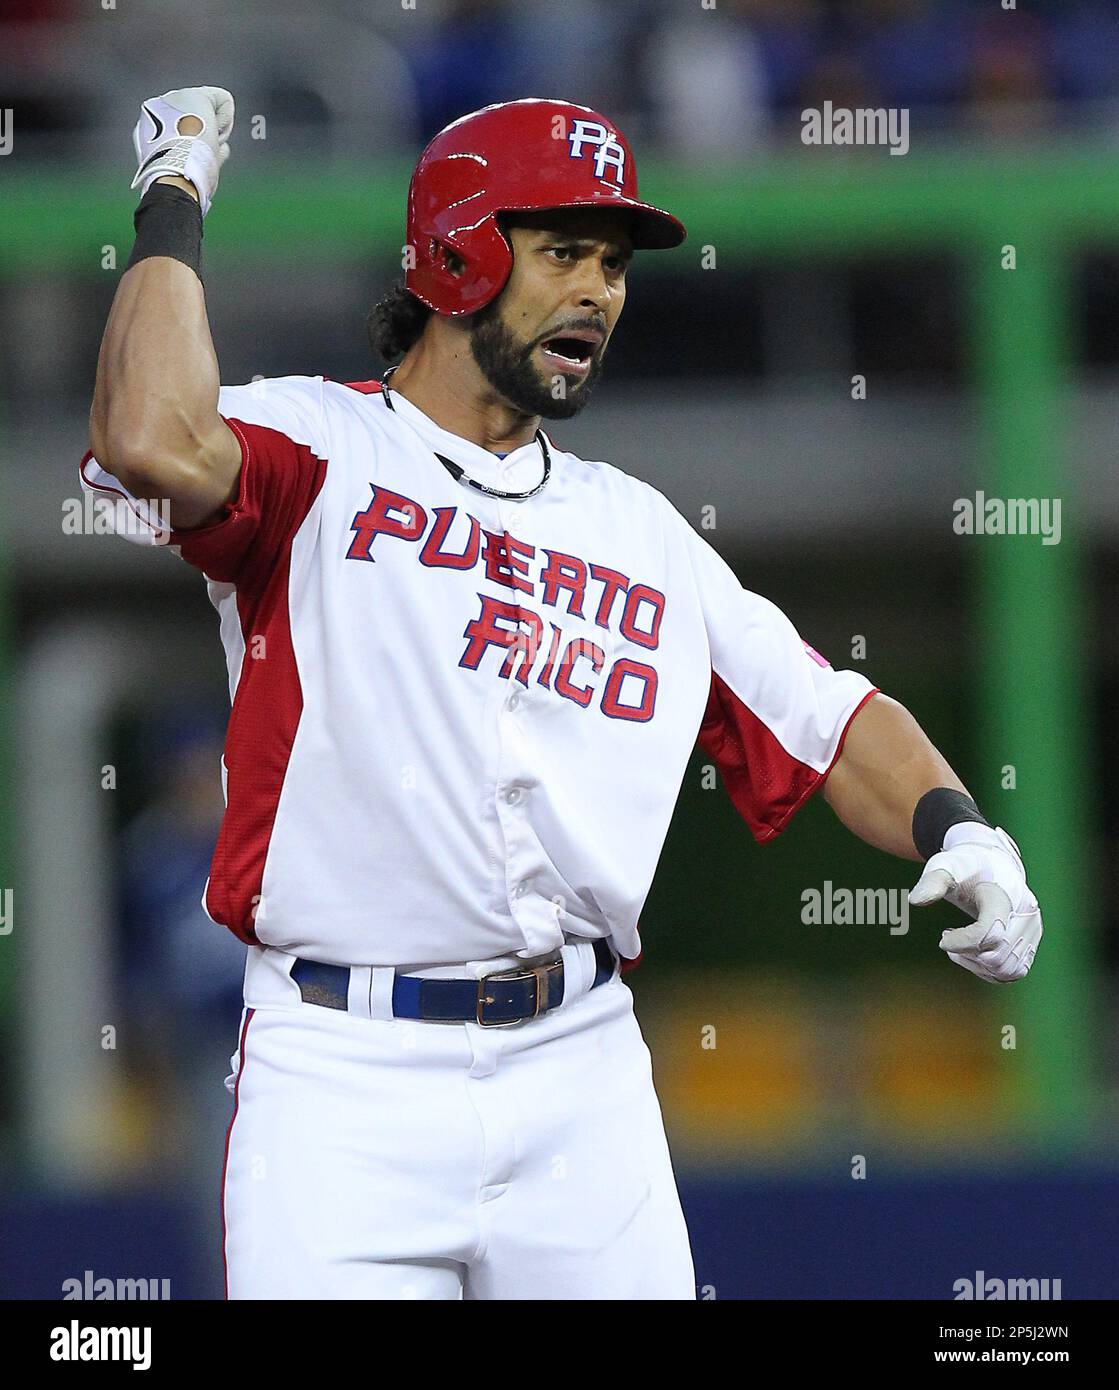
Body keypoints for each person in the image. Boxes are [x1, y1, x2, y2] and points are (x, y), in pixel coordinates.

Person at [81, 87, 1043, 1300]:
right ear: (457, 252)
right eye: (563, 252)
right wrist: (174, 190)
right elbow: (148, 437)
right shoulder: (319, 446)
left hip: (579, 1072)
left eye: (613, 262)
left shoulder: (638, 531)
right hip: (342, 1075)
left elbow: (836, 720)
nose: (601, 289)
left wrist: (964, 832)